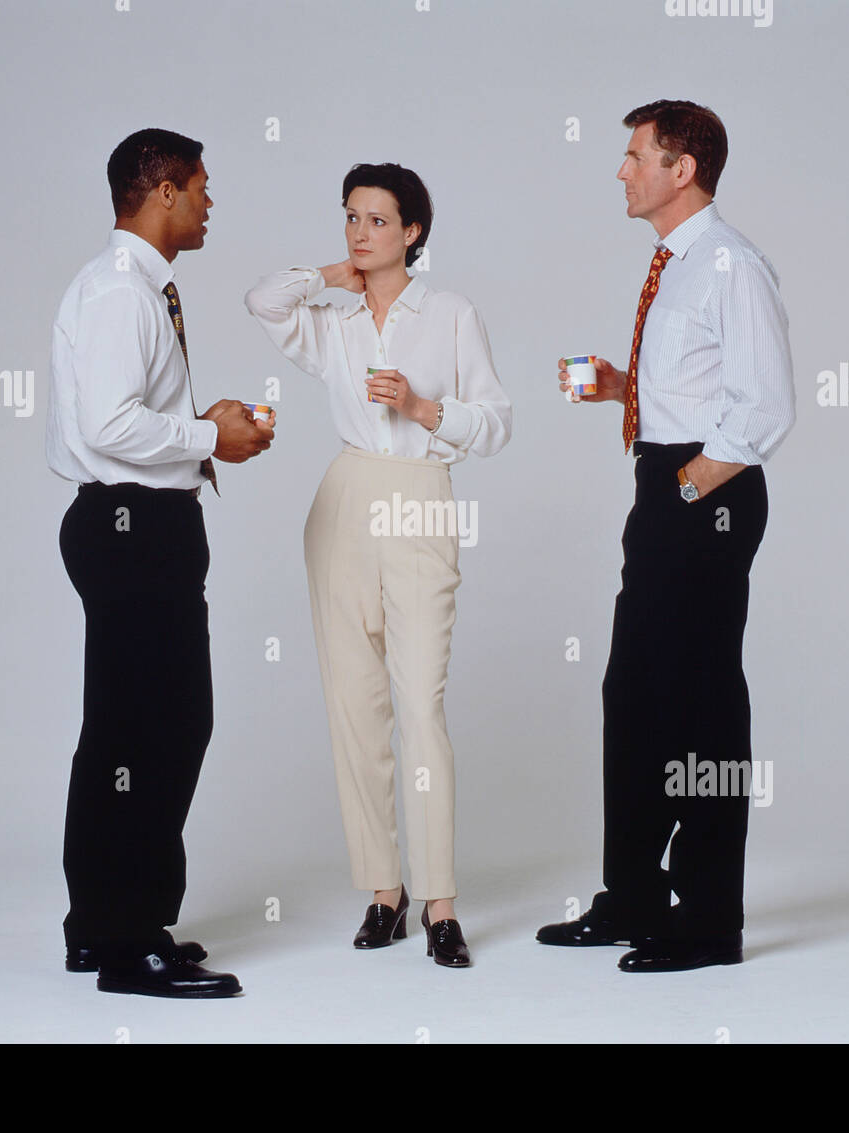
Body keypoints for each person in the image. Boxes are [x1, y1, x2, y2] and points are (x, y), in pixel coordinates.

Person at [536, 101, 795, 972]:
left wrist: (685, 485)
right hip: (665, 484)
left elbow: (763, 408)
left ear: (682, 169)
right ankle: (636, 895)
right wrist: (624, 389)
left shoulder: (732, 265)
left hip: (705, 495)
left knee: (702, 706)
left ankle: (710, 917)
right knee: (636, 694)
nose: (622, 169)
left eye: (635, 155)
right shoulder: (672, 265)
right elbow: (701, 386)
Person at [244, 162, 512, 967]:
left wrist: (422, 406)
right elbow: (263, 300)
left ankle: (441, 903)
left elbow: (498, 422)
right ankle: (383, 893)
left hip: (421, 492)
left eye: (377, 221)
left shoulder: (452, 311)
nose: (360, 233)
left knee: (419, 703)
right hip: (346, 494)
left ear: (414, 231)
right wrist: (339, 276)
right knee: (353, 704)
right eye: (350, 218)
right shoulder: (333, 321)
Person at [46, 127, 273, 998]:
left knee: (122, 730)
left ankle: (100, 924)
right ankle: (130, 939)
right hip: (133, 527)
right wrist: (211, 433)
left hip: (133, 522)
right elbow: (107, 426)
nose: (211, 201)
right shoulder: (119, 292)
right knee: (161, 726)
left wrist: (200, 429)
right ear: (164, 190)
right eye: (202, 186)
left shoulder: (134, 288)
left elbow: (132, 414)